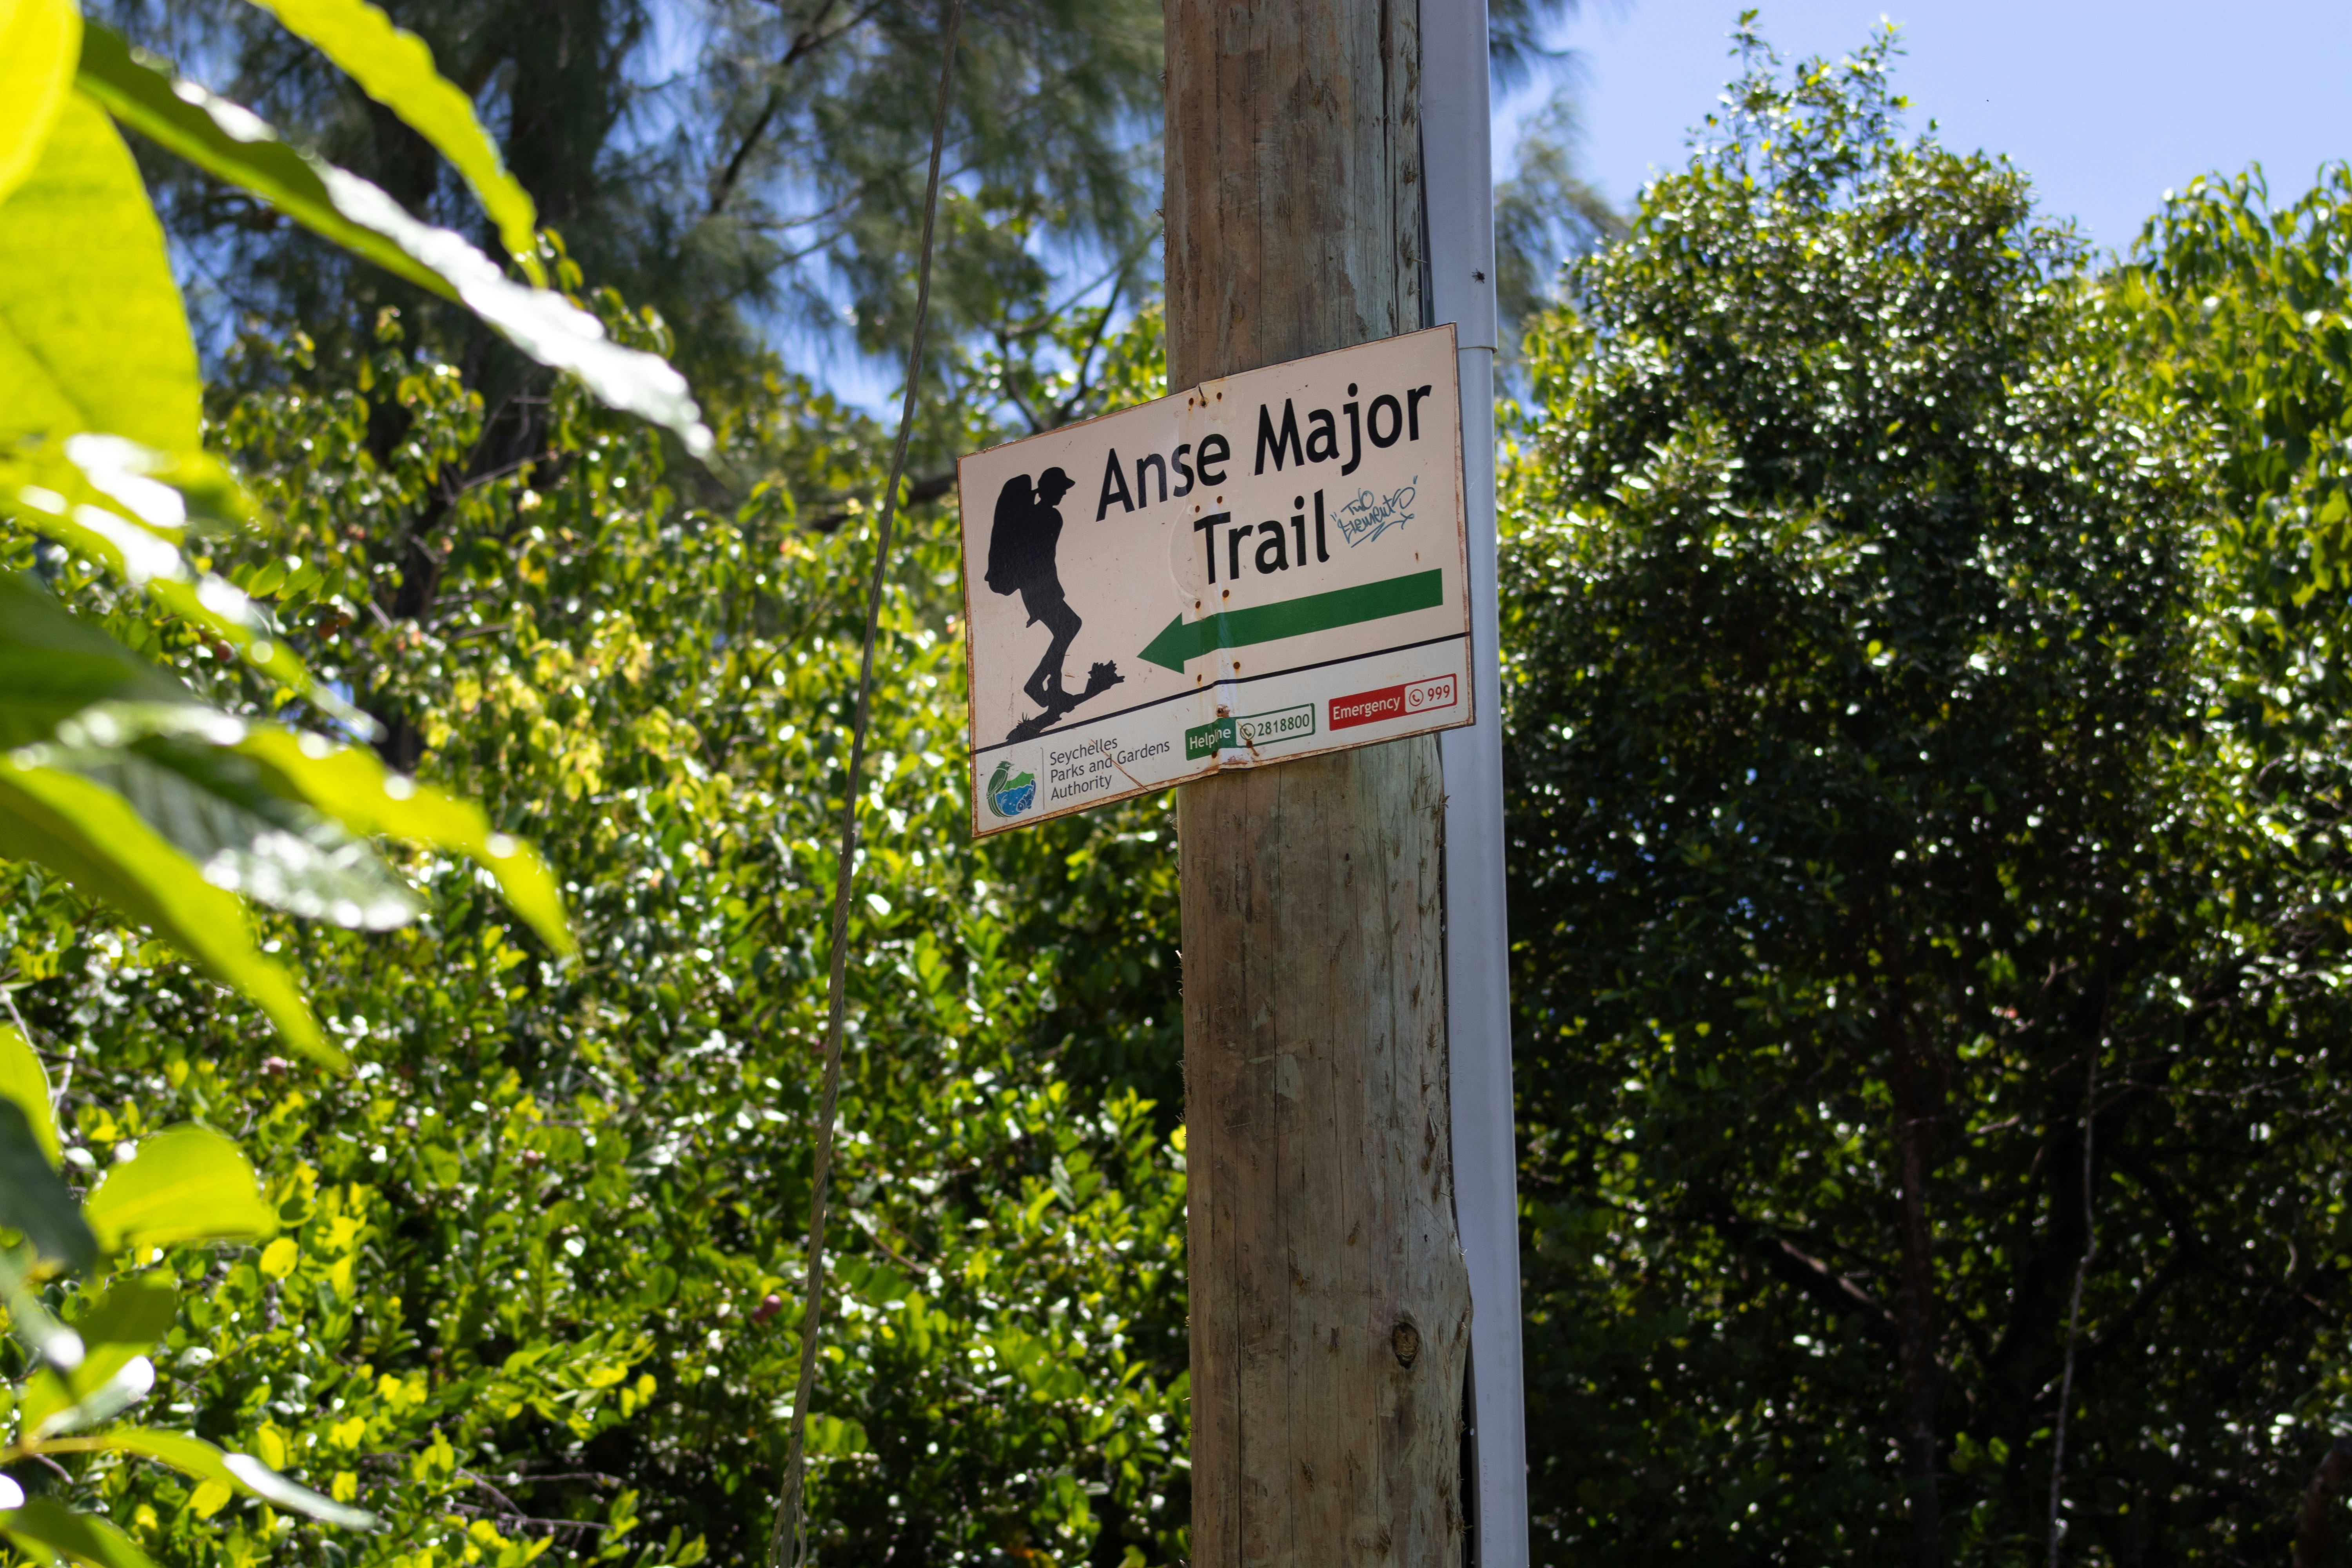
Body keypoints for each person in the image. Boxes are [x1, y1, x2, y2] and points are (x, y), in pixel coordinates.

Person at [984, 466, 1082, 710]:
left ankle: (1048, 686)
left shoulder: (1039, 517)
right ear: (1049, 490)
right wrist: (1048, 593)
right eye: (1061, 489)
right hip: (1038, 587)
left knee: (1067, 628)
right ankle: (1041, 685)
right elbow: (1039, 558)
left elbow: (1043, 556)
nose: (1063, 495)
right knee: (1070, 626)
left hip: (1039, 586)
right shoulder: (1048, 517)